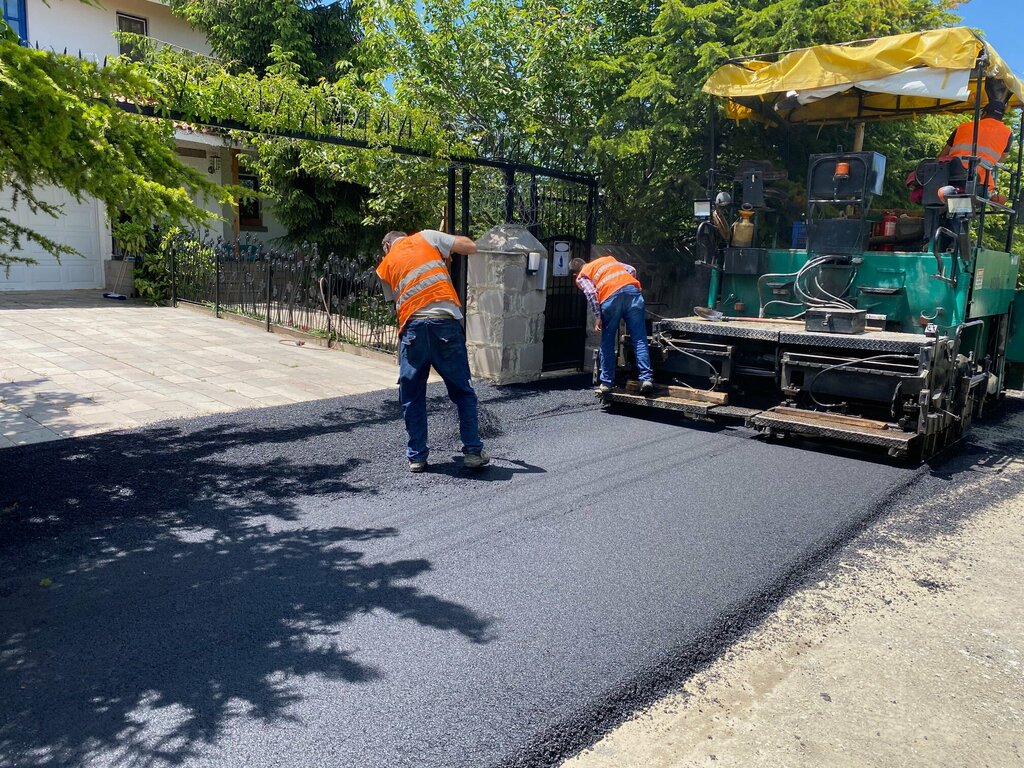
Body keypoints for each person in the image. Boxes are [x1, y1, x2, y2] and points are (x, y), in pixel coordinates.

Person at [377, 229, 489, 473]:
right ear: (404, 236)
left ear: (387, 247)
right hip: (444, 325)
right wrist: (443, 249)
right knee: (463, 392)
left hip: (413, 330)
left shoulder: (384, 266)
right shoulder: (426, 237)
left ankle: (417, 456)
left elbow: (398, 300)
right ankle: (472, 451)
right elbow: (469, 246)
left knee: (412, 396)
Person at [570, 254, 654, 396]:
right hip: (632, 294)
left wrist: (598, 316)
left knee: (607, 342)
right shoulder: (607, 260)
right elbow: (631, 269)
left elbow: (591, 293)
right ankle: (646, 379)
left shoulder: (582, 276)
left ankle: (607, 383)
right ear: (586, 262)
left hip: (611, 299)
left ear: (575, 274)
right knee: (639, 339)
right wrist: (627, 287)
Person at [937, 99, 1012, 204]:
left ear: (984, 113)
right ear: (1001, 117)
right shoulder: (1007, 133)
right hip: (981, 184)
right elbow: (1002, 159)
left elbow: (942, 155)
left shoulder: (963, 127)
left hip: (950, 176)